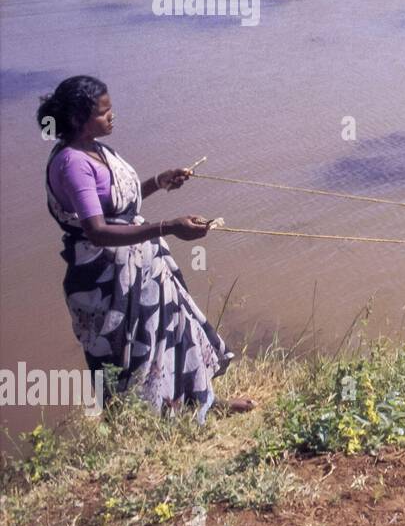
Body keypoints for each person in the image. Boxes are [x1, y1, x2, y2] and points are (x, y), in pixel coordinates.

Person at [37, 76, 251, 422]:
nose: (112, 117)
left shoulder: (94, 148)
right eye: (104, 112)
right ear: (78, 119)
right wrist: (169, 227)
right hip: (106, 281)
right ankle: (144, 420)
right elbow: (98, 230)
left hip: (141, 267)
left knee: (171, 334)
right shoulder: (72, 163)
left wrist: (159, 182)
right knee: (131, 354)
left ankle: (202, 402)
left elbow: (117, 206)